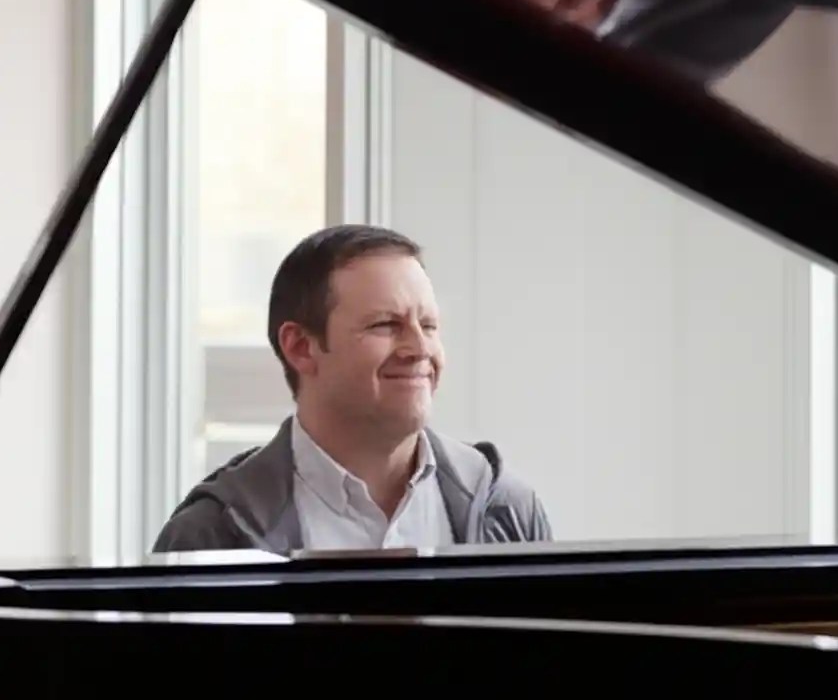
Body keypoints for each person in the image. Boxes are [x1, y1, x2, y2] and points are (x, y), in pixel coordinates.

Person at [152, 226, 552, 554]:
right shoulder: (209, 536)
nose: (419, 349)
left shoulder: (508, 511)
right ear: (301, 347)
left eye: (429, 326)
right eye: (385, 325)